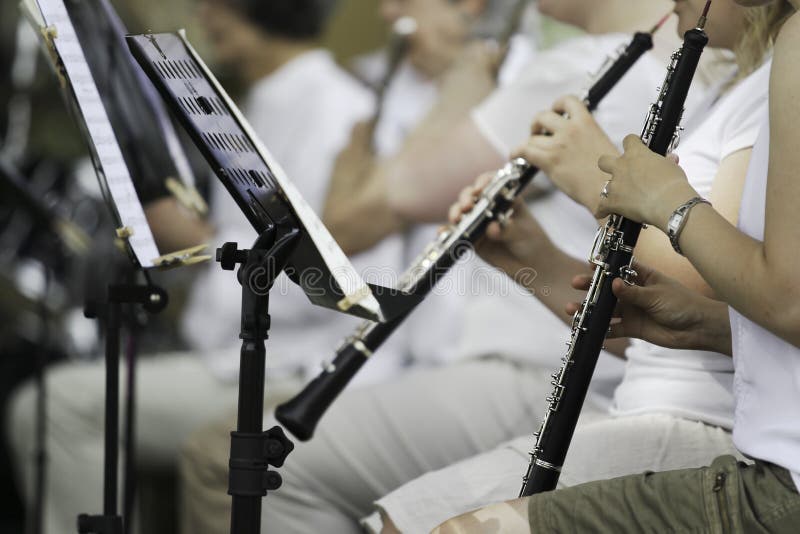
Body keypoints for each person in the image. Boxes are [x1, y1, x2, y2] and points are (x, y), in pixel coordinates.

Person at [175, 1, 708, 533]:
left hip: (544, 367)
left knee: (240, 460)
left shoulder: (578, 69)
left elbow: (357, 215)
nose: (388, 13)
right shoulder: (587, 67)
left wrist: (461, 74)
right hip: (540, 358)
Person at [6, 0, 406, 530]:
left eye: (217, 7)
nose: (206, 17)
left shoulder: (335, 111)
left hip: (295, 367)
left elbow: (333, 288)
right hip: (237, 349)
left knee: (54, 405)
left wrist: (201, 241)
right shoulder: (269, 98)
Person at [435, 0, 800, 531]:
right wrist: (531, 259)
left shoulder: (787, 53)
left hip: (736, 439)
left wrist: (646, 196)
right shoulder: (743, 81)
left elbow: (779, 295)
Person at [177, 0, 538, 531]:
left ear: (469, 6)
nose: (388, 14)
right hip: (413, 358)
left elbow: (348, 225)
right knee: (232, 447)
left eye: (403, 0)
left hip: (494, 364)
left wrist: (369, 161)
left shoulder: (517, 80)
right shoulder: (396, 85)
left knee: (231, 454)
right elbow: (345, 232)